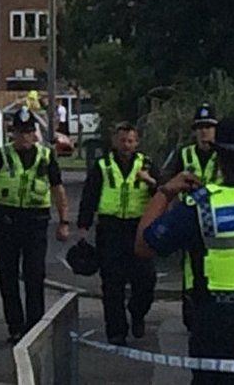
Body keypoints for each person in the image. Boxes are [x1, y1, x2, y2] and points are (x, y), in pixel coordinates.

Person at [136, 116, 234, 384]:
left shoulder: (201, 206)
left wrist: (165, 192)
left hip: (217, 328)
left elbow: (144, 246)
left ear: (219, 159)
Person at [0, 107, 70, 343]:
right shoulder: (2, 154)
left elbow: (58, 189)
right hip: (6, 221)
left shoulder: (46, 156)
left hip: (35, 221)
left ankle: (34, 326)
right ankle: (15, 326)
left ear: (34, 133)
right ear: (13, 133)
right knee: (7, 276)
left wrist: (64, 221)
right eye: (20, 132)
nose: (25, 137)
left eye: (29, 132)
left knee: (35, 275)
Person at [77, 122, 159, 345]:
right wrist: (83, 228)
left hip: (139, 229)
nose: (126, 145)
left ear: (137, 143)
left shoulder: (147, 164)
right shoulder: (102, 165)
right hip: (111, 229)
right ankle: (116, 331)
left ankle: (137, 312)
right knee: (112, 284)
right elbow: (90, 195)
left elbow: (162, 192)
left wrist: (149, 180)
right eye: (122, 140)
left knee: (146, 281)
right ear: (115, 141)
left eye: (130, 141)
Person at [163, 103, 219, 330]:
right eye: (200, 127)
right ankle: (191, 310)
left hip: (216, 220)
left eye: (208, 126)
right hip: (191, 218)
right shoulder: (184, 154)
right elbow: (167, 181)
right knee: (190, 267)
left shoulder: (223, 153)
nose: (204, 131)